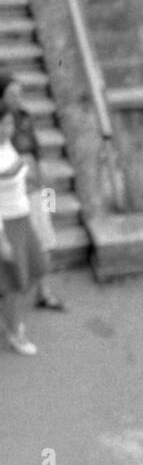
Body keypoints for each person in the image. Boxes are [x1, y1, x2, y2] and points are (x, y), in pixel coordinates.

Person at [0, 72, 65, 314]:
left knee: (47, 236)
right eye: (12, 95)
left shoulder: (25, 117)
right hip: (17, 194)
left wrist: (47, 187)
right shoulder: (2, 127)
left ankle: (44, 293)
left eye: (20, 94)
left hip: (38, 186)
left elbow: (36, 151)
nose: (17, 99)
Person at [0, 104, 38, 355]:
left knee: (38, 267)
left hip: (23, 217)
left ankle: (10, 317)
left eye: (10, 124)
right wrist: (2, 240)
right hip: (7, 224)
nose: (8, 129)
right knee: (15, 282)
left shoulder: (8, 146)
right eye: (3, 124)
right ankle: (14, 333)